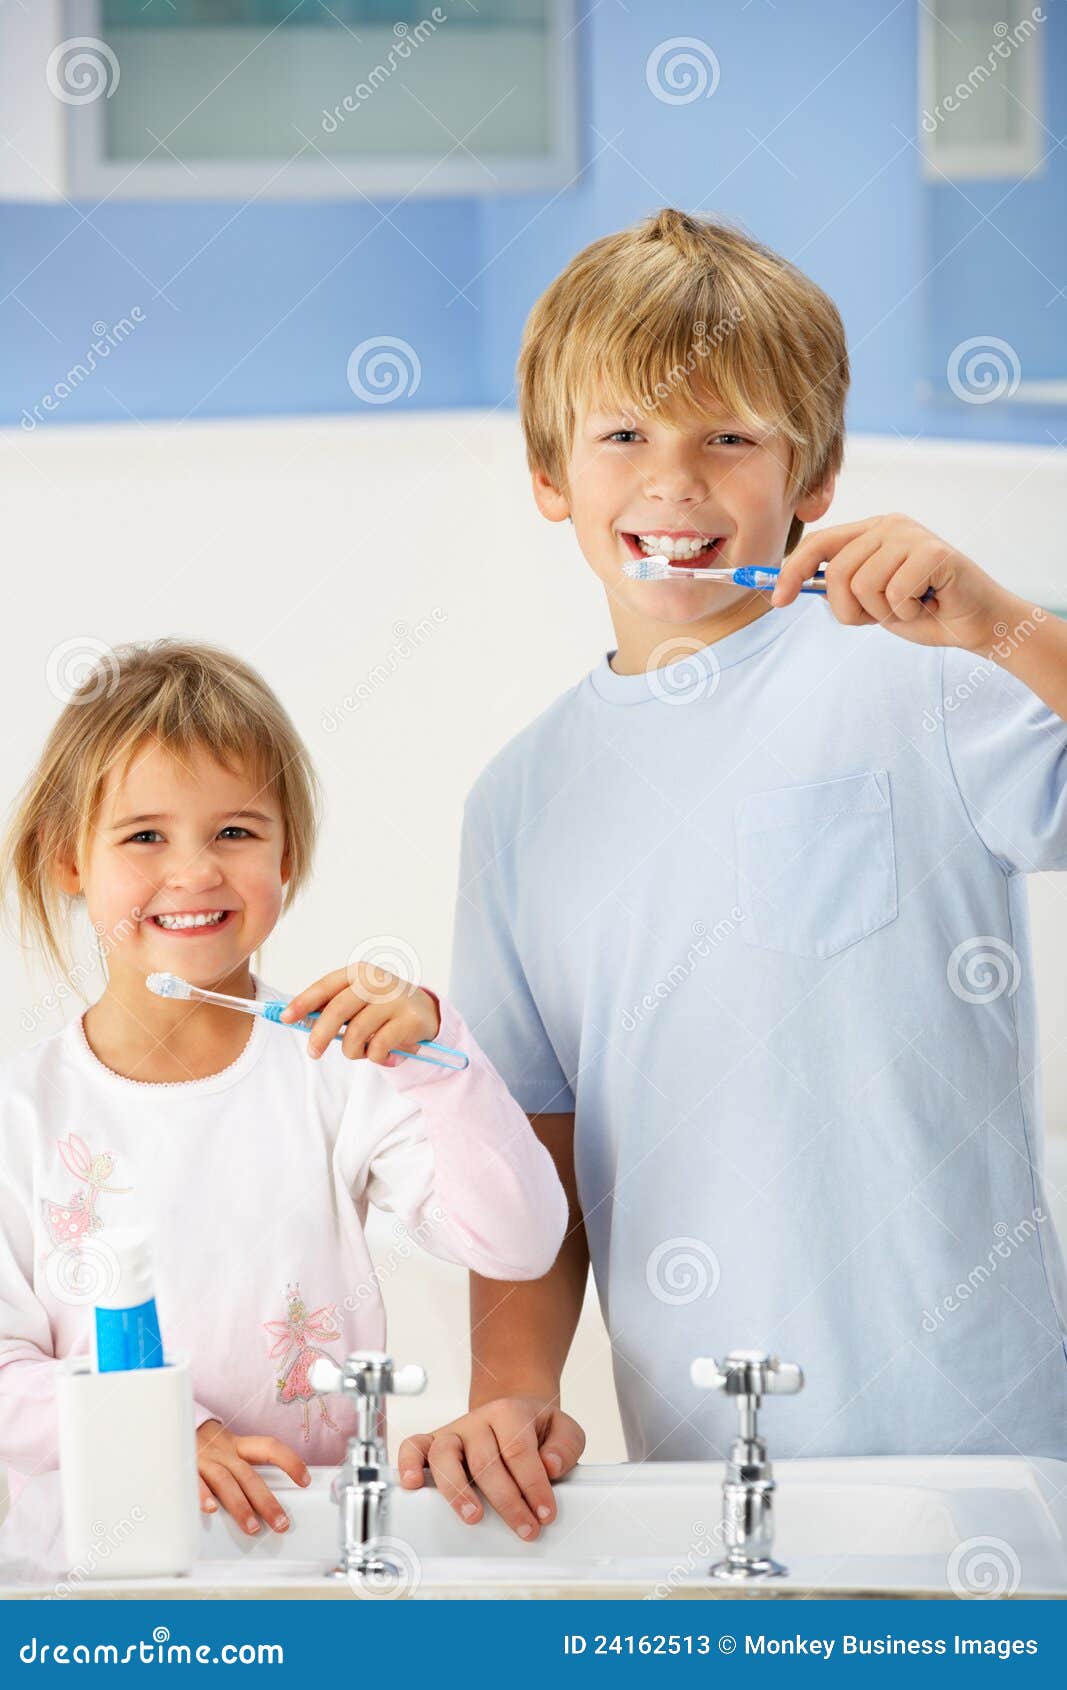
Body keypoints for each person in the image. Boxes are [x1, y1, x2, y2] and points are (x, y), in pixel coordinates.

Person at [395, 207, 1067, 1542]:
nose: (673, 483)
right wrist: (510, 1386)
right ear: (548, 475)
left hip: (985, 1456)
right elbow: (536, 1130)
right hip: (706, 1475)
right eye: (624, 436)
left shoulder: (931, 669)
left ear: (807, 477)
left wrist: (1005, 628)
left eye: (729, 436)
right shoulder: (517, 803)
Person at [0, 639, 566, 1555]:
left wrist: (435, 1052)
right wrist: (161, 1434)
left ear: (286, 855)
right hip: (86, 1566)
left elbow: (518, 1237)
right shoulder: (19, 1113)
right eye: (145, 836)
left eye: (235, 831)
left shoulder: (341, 1071)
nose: (193, 872)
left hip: (315, 1552)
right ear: (69, 860)